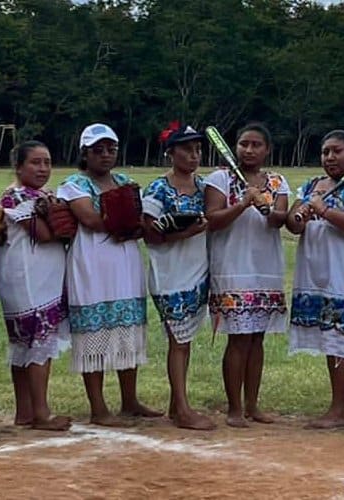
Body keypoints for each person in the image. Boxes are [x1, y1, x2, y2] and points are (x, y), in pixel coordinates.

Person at [59, 123, 162, 426]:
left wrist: (131, 221)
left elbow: (140, 219)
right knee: (95, 332)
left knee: (126, 329)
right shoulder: (74, 184)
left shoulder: (124, 180)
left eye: (111, 149)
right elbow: (91, 219)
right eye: (98, 150)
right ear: (85, 154)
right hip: (92, 263)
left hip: (125, 262)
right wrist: (127, 221)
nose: (105, 155)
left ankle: (130, 400)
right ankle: (98, 407)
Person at [285, 130, 344, 430]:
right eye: (325, 151)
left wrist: (325, 210)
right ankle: (339, 405)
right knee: (330, 338)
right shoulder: (313, 186)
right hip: (318, 272)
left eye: (337, 151)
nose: (330, 157)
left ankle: (341, 409)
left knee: (343, 339)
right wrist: (299, 214)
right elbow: (293, 225)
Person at [203, 122, 290, 428]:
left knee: (257, 339)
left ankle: (253, 405)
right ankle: (234, 408)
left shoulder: (278, 181)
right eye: (243, 144)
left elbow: (281, 219)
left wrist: (267, 208)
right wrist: (243, 203)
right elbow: (213, 219)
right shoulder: (219, 179)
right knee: (238, 339)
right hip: (232, 268)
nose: (248, 150)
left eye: (256, 145)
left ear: (267, 150)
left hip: (265, 268)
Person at [143, 123, 215, 430]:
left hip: (197, 268)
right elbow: (149, 234)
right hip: (169, 272)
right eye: (186, 149)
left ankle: (177, 404)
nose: (193, 155)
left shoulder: (204, 188)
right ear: (171, 152)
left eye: (197, 149)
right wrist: (185, 232)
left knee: (185, 339)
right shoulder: (158, 189)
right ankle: (183, 408)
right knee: (178, 340)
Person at [0, 140, 73, 432]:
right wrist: (66, 225)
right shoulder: (15, 196)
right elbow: (42, 234)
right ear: (18, 167)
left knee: (25, 346)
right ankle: (41, 413)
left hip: (41, 276)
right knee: (38, 343)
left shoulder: (42, 195)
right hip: (27, 277)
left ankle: (25, 411)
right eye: (35, 162)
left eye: (47, 162)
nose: (43, 168)